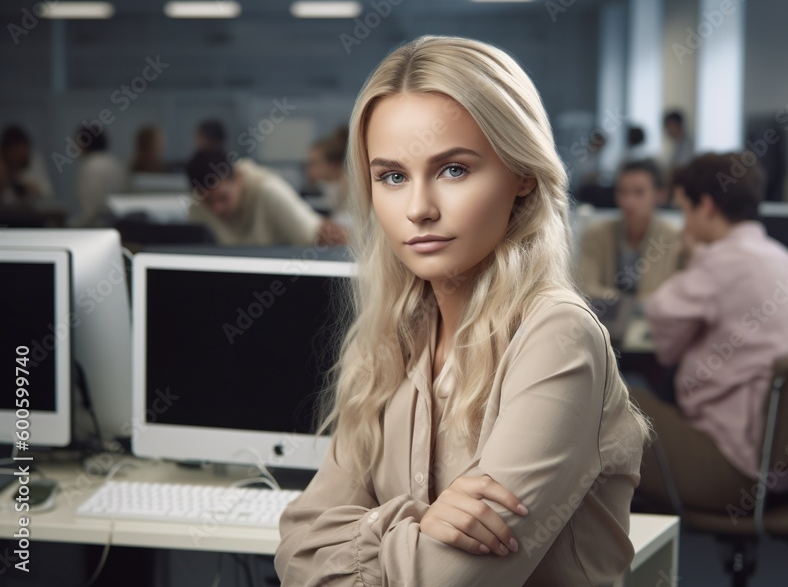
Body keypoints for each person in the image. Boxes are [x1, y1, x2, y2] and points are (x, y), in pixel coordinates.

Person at [275, 36, 651, 587]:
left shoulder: (556, 338)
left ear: (522, 173)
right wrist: (419, 521)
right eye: (392, 177)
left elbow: (452, 581)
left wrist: (364, 537)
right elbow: (297, 548)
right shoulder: (387, 339)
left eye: (453, 170)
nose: (419, 209)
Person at [636, 152, 788, 512]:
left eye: (685, 212)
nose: (684, 227)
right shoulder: (784, 258)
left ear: (706, 206)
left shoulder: (723, 261)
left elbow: (661, 323)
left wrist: (696, 260)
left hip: (737, 469)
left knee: (610, 398)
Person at [186, 149, 347, 247]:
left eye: (223, 198)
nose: (217, 209)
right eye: (209, 202)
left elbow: (321, 234)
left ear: (238, 178)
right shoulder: (198, 205)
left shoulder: (268, 191)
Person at [577, 159, 683, 306]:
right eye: (622, 192)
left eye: (639, 192)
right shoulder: (596, 234)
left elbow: (675, 296)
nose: (628, 201)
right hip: (604, 320)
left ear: (660, 195)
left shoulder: (674, 238)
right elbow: (586, 287)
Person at [73, 126, 126, 227]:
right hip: (118, 224)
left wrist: (73, 225)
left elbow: (91, 209)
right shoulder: (114, 162)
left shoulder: (90, 166)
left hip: (98, 227)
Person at [0, 125, 53, 205]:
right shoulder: (3, 165)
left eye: (20, 149)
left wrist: (27, 187)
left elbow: (47, 194)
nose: (17, 155)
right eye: (14, 150)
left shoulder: (34, 160)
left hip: (32, 212)